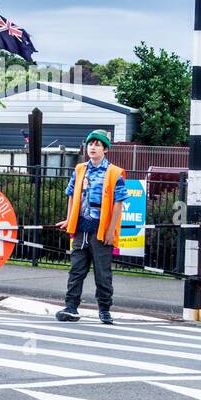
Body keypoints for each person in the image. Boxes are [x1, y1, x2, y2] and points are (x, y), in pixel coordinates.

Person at [55, 129, 128, 325]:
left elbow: (118, 203)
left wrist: (112, 231)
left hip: (100, 229)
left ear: (105, 149)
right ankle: (71, 306)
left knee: (102, 272)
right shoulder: (80, 169)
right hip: (80, 228)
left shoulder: (114, 173)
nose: (93, 147)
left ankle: (104, 309)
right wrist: (69, 218)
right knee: (76, 269)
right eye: (90, 144)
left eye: (97, 144)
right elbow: (71, 195)